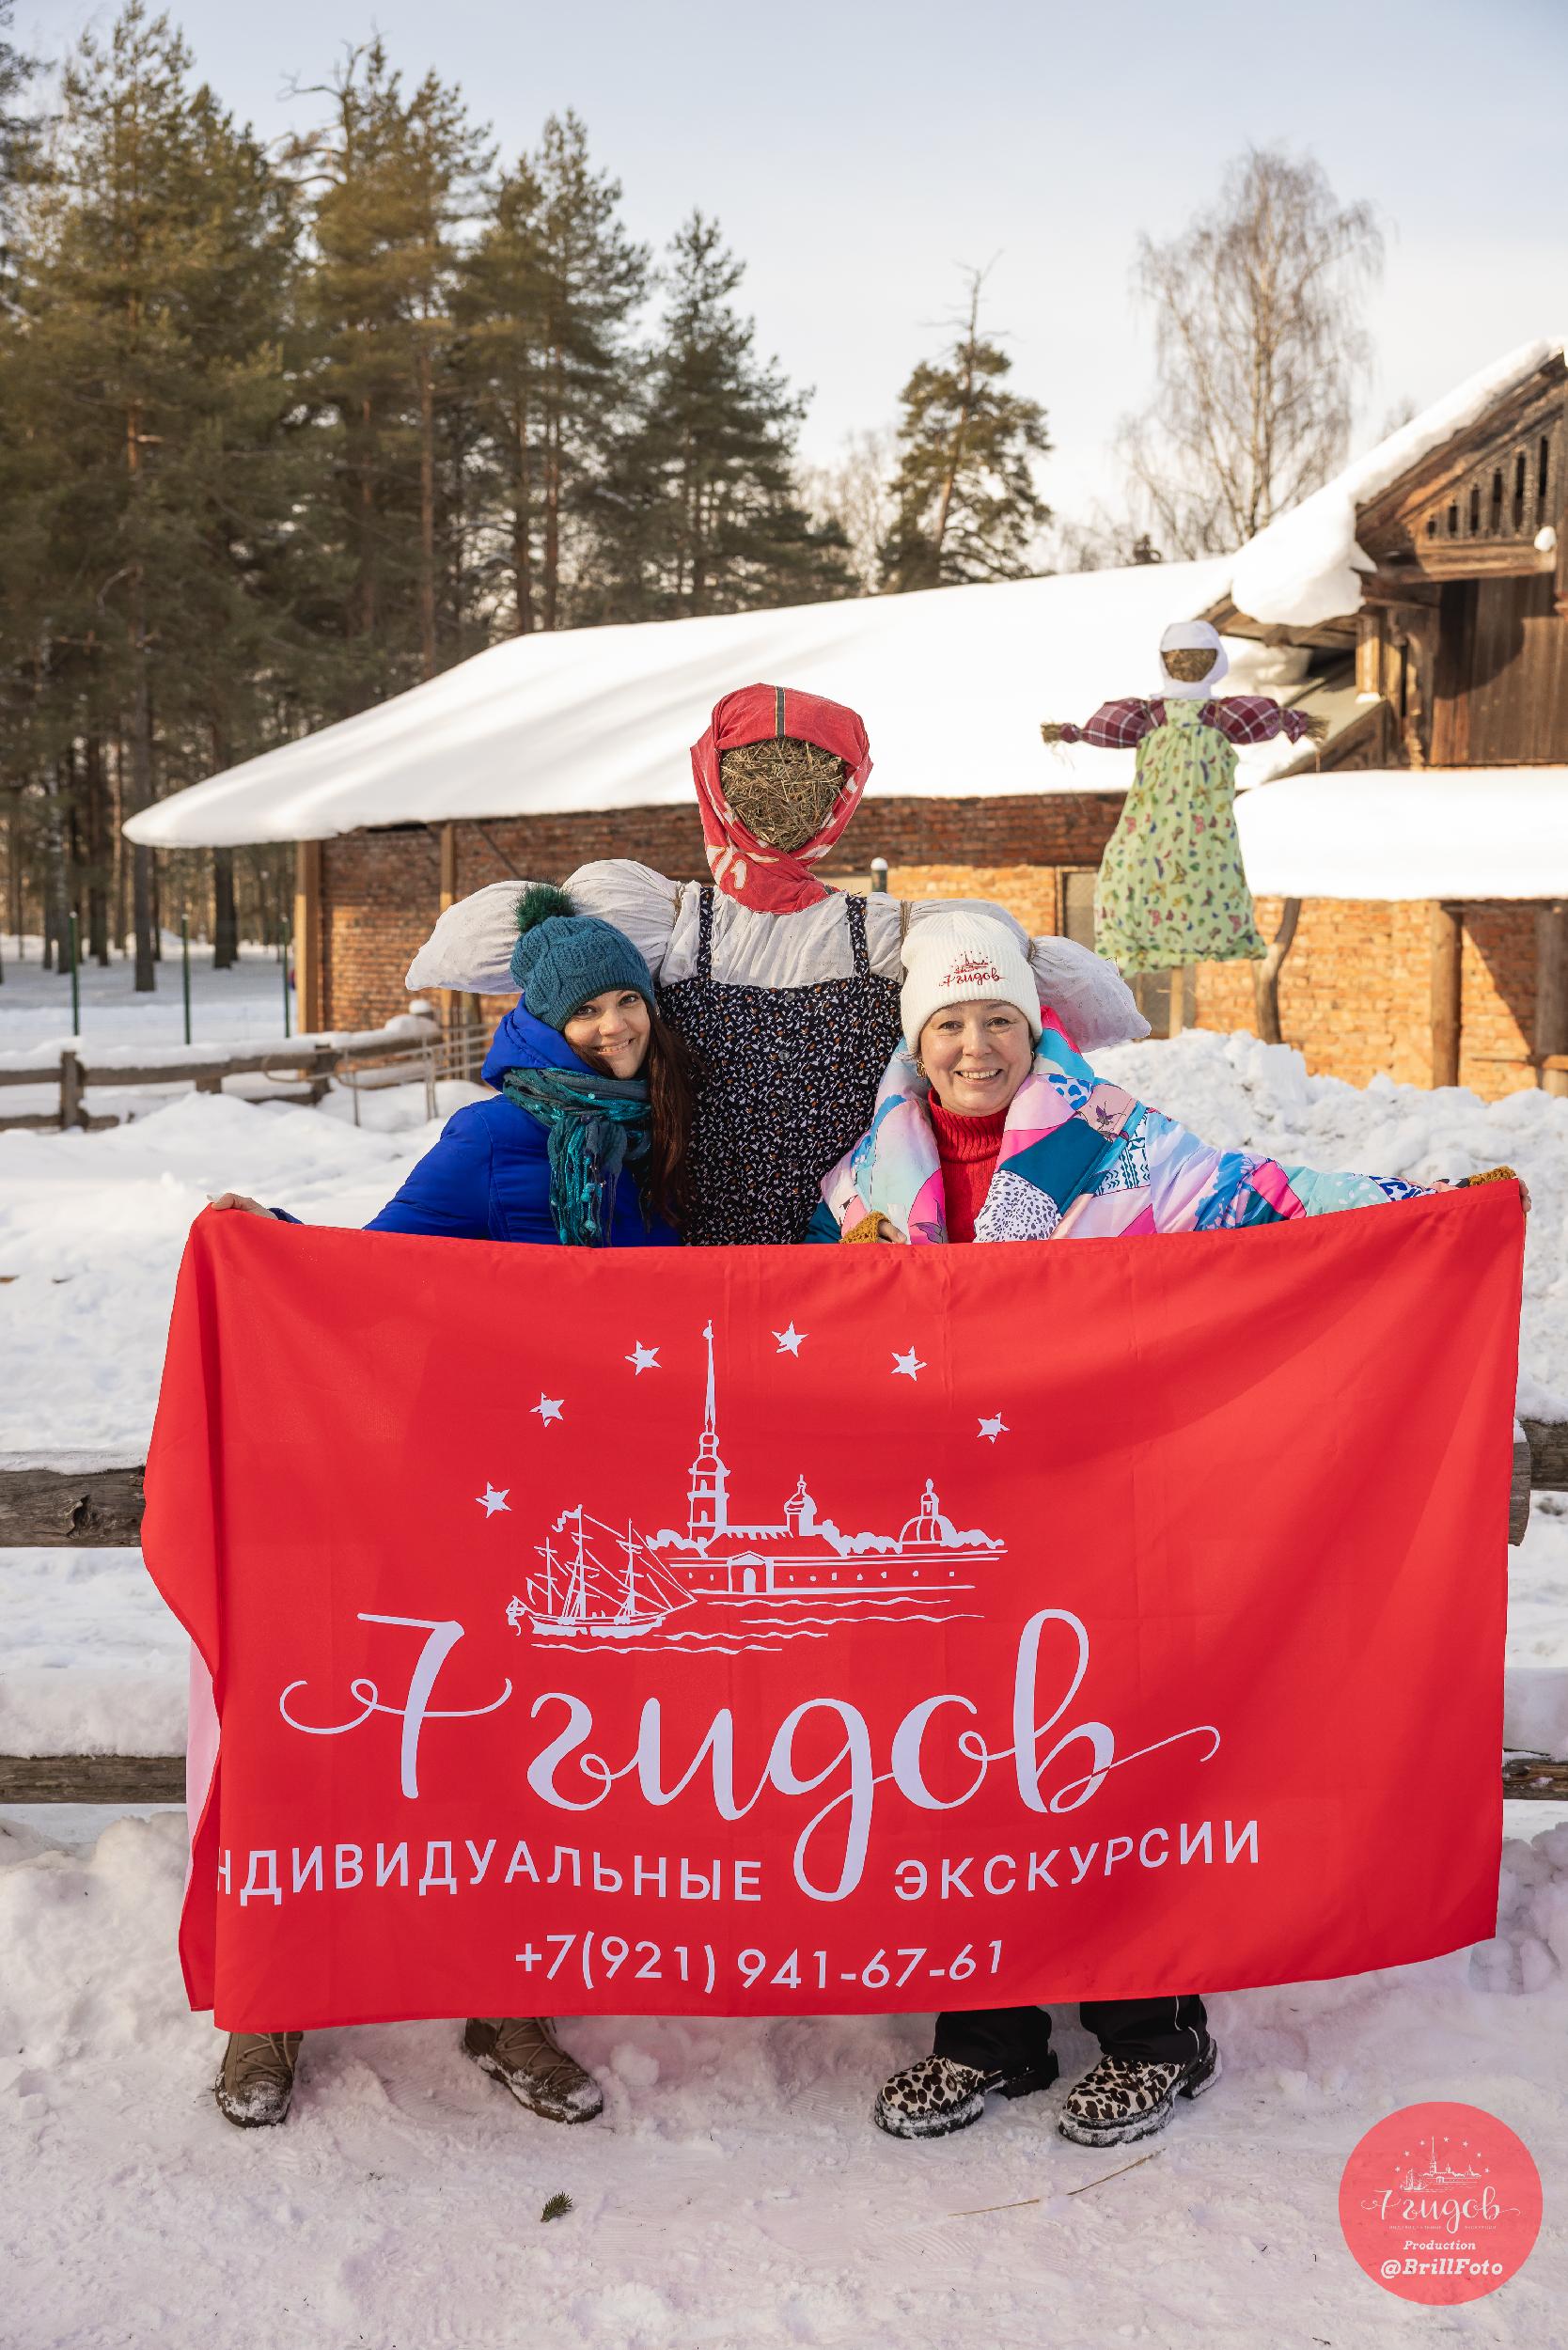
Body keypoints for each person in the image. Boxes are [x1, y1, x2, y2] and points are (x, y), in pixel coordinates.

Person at [806, 908, 1512, 2150]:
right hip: (954, 1526)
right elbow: (820, 1334)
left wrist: (1435, 1209)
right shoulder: (863, 1186)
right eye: (951, 1024)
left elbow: (1274, 1202)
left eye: (998, 1020)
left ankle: (1155, 2033)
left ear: (1036, 1025)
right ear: (918, 1041)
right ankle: (992, 2035)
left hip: (1106, 1503)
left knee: (1107, 1759)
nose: (976, 1048)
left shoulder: (1125, 1146)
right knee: (967, 1769)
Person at [206, 885, 692, 2130]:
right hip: (452, 1492)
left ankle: (506, 2004)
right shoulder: (489, 1138)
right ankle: (273, 2001)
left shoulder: (653, 1137)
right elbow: (373, 1268)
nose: (614, 1025)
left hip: (579, 1506)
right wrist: (272, 1244)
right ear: (541, 1018)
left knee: (523, 1758)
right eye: (586, 1009)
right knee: (362, 1739)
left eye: (627, 1000)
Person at [404, 683, 1150, 1244]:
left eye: (811, 778)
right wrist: (546, 913)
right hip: (686, 1246)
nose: (784, 796)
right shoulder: (667, 923)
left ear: (842, 795)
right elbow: (503, 956)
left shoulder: (889, 934)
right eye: (757, 771)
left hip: (847, 1245)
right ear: (716, 778)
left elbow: (1047, 998)